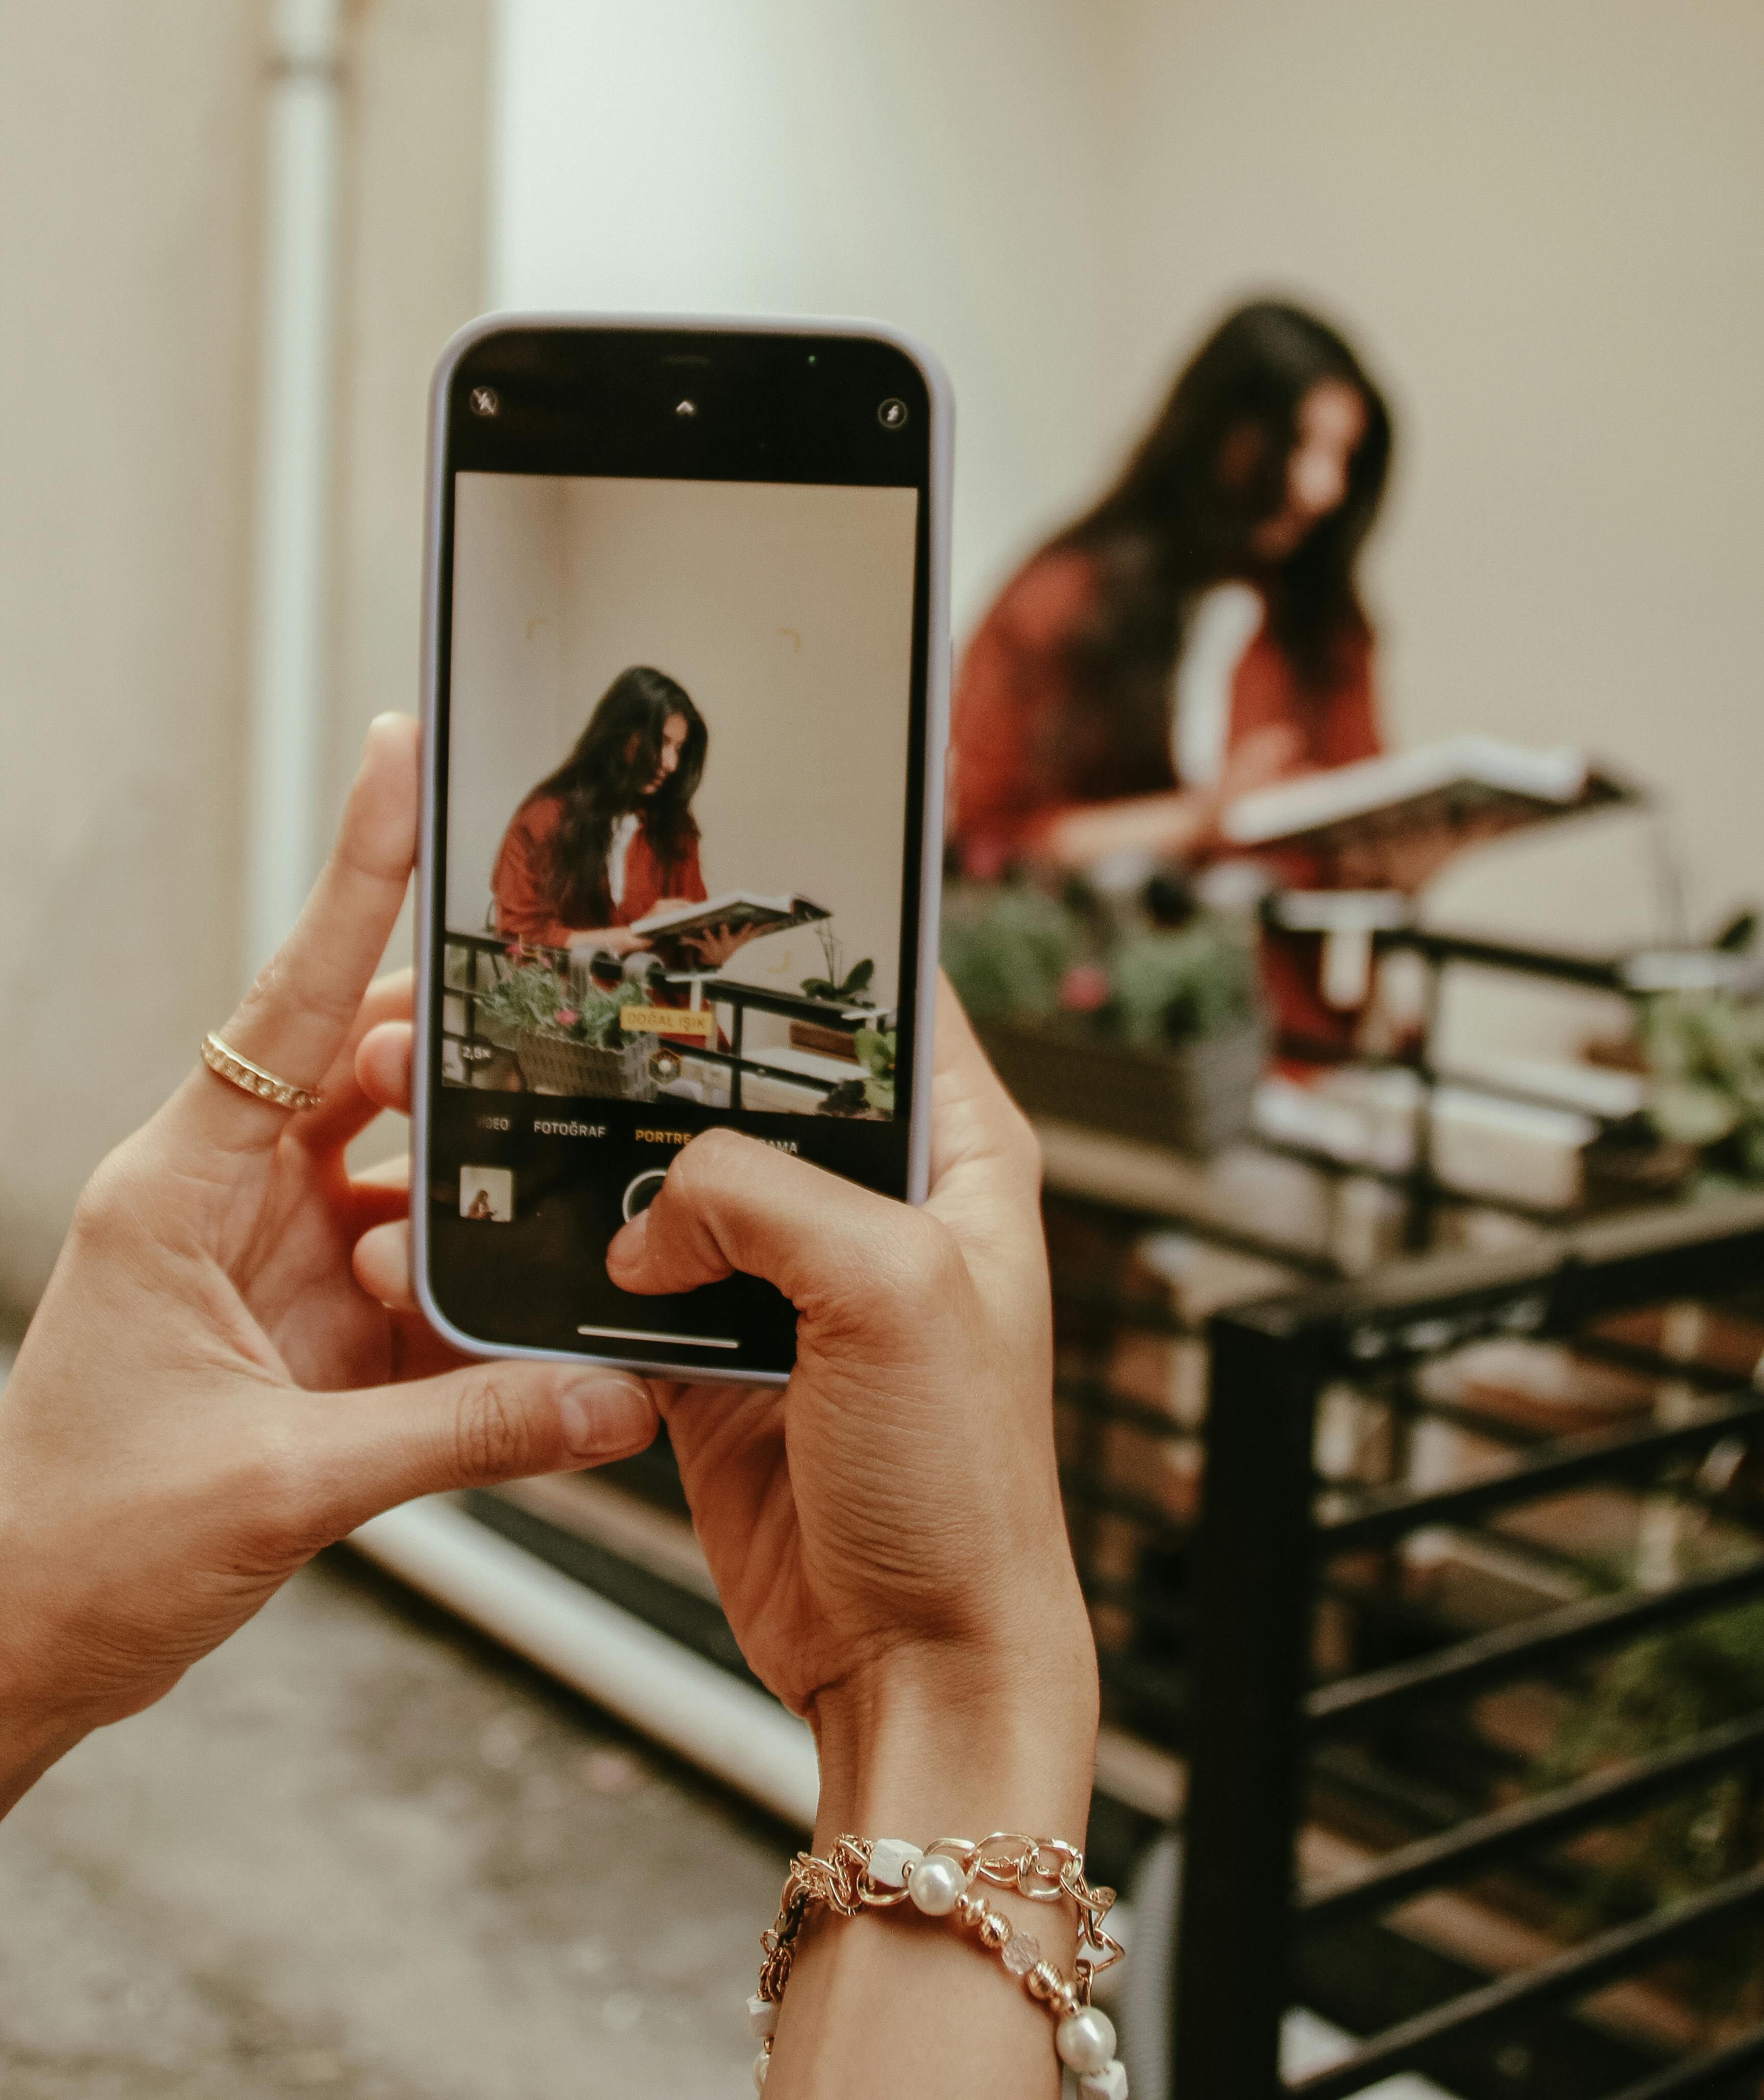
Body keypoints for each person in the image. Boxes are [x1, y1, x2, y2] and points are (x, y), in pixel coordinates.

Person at [0, 716, 1099, 2099]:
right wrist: (960, 1678)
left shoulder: (666, 822)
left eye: (681, 749)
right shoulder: (550, 820)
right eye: (650, 740)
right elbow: (550, 938)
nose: (660, 764)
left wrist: (20, 1623)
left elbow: (681, 920)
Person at [950, 299, 1417, 1049]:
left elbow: (1361, 802)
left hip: (1297, 1046)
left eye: (1344, 459)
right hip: (1098, 1046)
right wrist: (1200, 821)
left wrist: (1404, 853)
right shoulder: (1067, 600)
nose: (1323, 489)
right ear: (1218, 434)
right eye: (1298, 447)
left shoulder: (1323, 621)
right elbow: (985, 839)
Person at [491, 664, 755, 973]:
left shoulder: (676, 826)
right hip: (578, 1008)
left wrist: (709, 956)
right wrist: (630, 937)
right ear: (619, 734)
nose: (672, 764)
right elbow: (519, 940)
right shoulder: (545, 817)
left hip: (664, 1013)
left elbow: (686, 950)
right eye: (662, 743)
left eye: (679, 749)